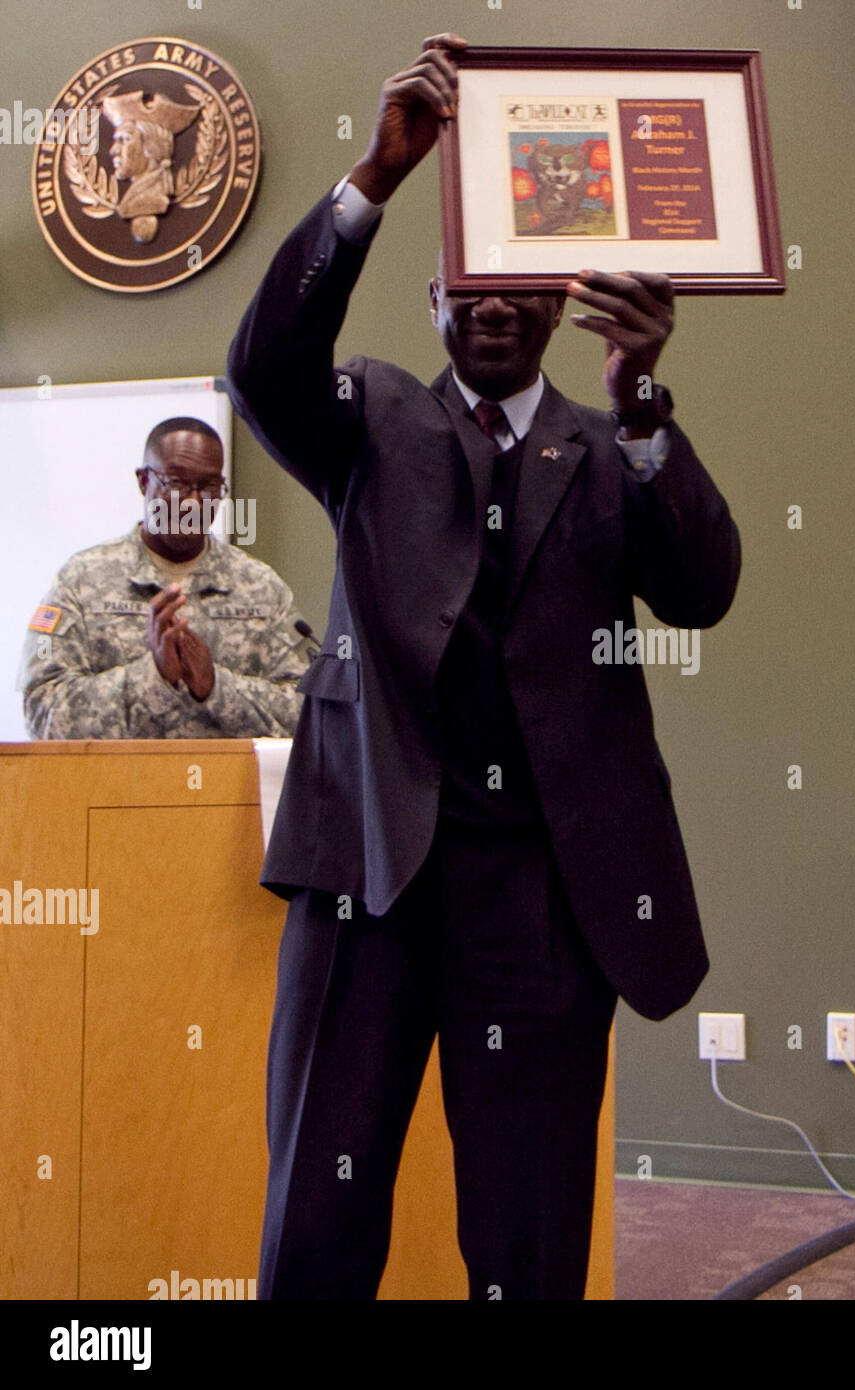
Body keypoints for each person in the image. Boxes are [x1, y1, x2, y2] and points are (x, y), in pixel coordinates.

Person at [225, 33, 740, 1300]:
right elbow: (259, 368)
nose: (495, 305)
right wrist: (375, 179)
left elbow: (705, 587)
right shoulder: (368, 418)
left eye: (520, 285)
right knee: (317, 1217)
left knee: (526, 1226)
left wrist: (642, 405)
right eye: (470, 287)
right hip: (367, 883)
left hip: (541, 901)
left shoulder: (607, 443)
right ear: (437, 303)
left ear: (565, 300)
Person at [20, 416, 310, 739]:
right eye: (177, 483)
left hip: (226, 790)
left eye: (209, 486)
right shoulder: (80, 582)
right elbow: (42, 714)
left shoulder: (262, 590)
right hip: (118, 789)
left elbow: (309, 715)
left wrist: (215, 687)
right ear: (144, 481)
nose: (194, 502)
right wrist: (153, 679)